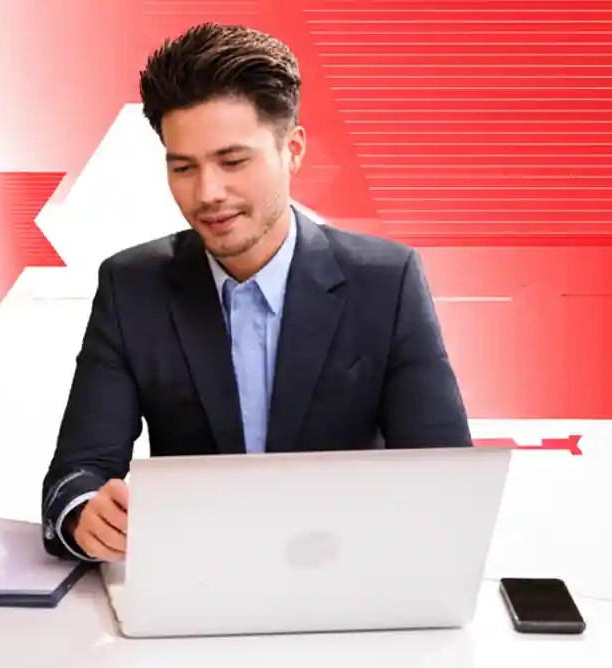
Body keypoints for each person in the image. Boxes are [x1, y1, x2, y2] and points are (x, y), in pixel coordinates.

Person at [40, 23, 473, 562]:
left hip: (348, 580)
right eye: (183, 168)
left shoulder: (386, 281)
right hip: (196, 581)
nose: (208, 194)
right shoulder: (132, 287)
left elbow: (447, 479)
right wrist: (84, 514)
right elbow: (79, 470)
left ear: (291, 150)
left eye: (233, 161)